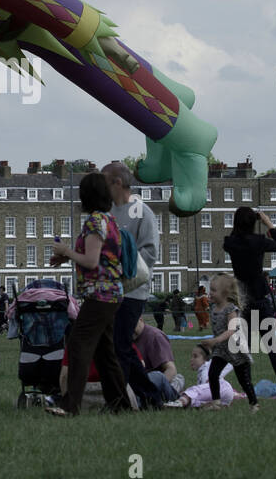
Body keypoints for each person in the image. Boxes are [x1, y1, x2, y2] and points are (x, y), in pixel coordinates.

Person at [46, 172, 130, 417]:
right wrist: (68, 256)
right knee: (105, 353)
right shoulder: (109, 220)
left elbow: (92, 262)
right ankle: (120, 404)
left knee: (78, 344)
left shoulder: (94, 221)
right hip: (112, 293)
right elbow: (102, 257)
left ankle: (70, 405)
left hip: (100, 295)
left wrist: (66, 251)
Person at [102, 161, 163, 409]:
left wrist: (122, 270)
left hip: (132, 291)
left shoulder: (142, 212)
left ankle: (119, 402)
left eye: (104, 181)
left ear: (117, 182)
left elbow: (149, 252)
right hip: (109, 290)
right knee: (121, 347)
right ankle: (151, 397)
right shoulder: (106, 212)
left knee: (119, 346)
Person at [223, 206, 276, 386]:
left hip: (241, 298)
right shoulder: (259, 241)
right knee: (271, 345)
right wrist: (267, 222)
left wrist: (239, 227)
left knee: (244, 346)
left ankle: (247, 385)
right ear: (253, 223)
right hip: (259, 297)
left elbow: (233, 237)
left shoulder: (230, 242)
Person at [197, 273, 259, 412]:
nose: (210, 293)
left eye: (213, 290)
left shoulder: (231, 309)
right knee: (213, 373)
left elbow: (231, 330)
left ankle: (254, 404)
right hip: (221, 349)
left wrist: (215, 340)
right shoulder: (213, 309)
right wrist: (214, 344)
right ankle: (216, 402)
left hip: (235, 348)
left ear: (224, 293)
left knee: (244, 379)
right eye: (210, 290)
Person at [167, 343, 237, 408]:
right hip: (222, 396)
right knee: (195, 399)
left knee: (194, 390)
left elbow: (229, 362)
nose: (191, 359)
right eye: (191, 356)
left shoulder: (209, 365)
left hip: (222, 388)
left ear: (206, 359)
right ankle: (212, 406)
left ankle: (179, 402)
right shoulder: (201, 374)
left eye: (195, 356)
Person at [133, 318, 183, 402]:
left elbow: (171, 369)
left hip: (151, 384)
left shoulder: (155, 336)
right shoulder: (122, 338)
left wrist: (152, 390)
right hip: (135, 382)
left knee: (160, 376)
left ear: (140, 319)